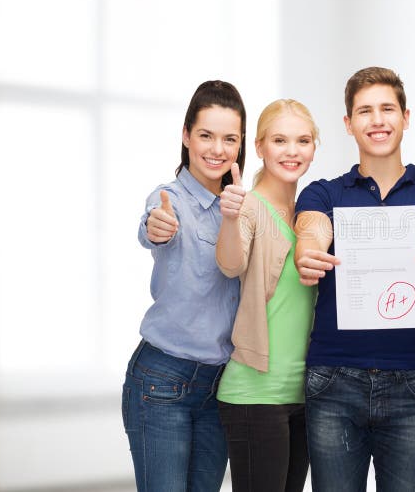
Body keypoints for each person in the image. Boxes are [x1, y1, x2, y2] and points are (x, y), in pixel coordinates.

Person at [294, 66, 415, 492]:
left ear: (406, 117)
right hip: (333, 380)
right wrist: (308, 251)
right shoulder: (323, 192)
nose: (377, 120)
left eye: (387, 109)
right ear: (348, 123)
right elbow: (312, 228)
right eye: (365, 111)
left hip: (412, 384)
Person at [121, 80, 247, 492]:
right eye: (206, 135)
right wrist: (156, 228)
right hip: (162, 379)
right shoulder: (168, 199)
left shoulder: (241, 207)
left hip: (218, 386)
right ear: (186, 135)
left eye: (229, 138)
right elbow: (153, 228)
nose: (217, 149)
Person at [215, 99, 319, 492]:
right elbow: (230, 263)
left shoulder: (309, 213)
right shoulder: (248, 206)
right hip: (256, 392)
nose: (292, 151)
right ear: (259, 147)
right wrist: (229, 217)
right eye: (280, 140)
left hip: (301, 392)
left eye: (303, 140)